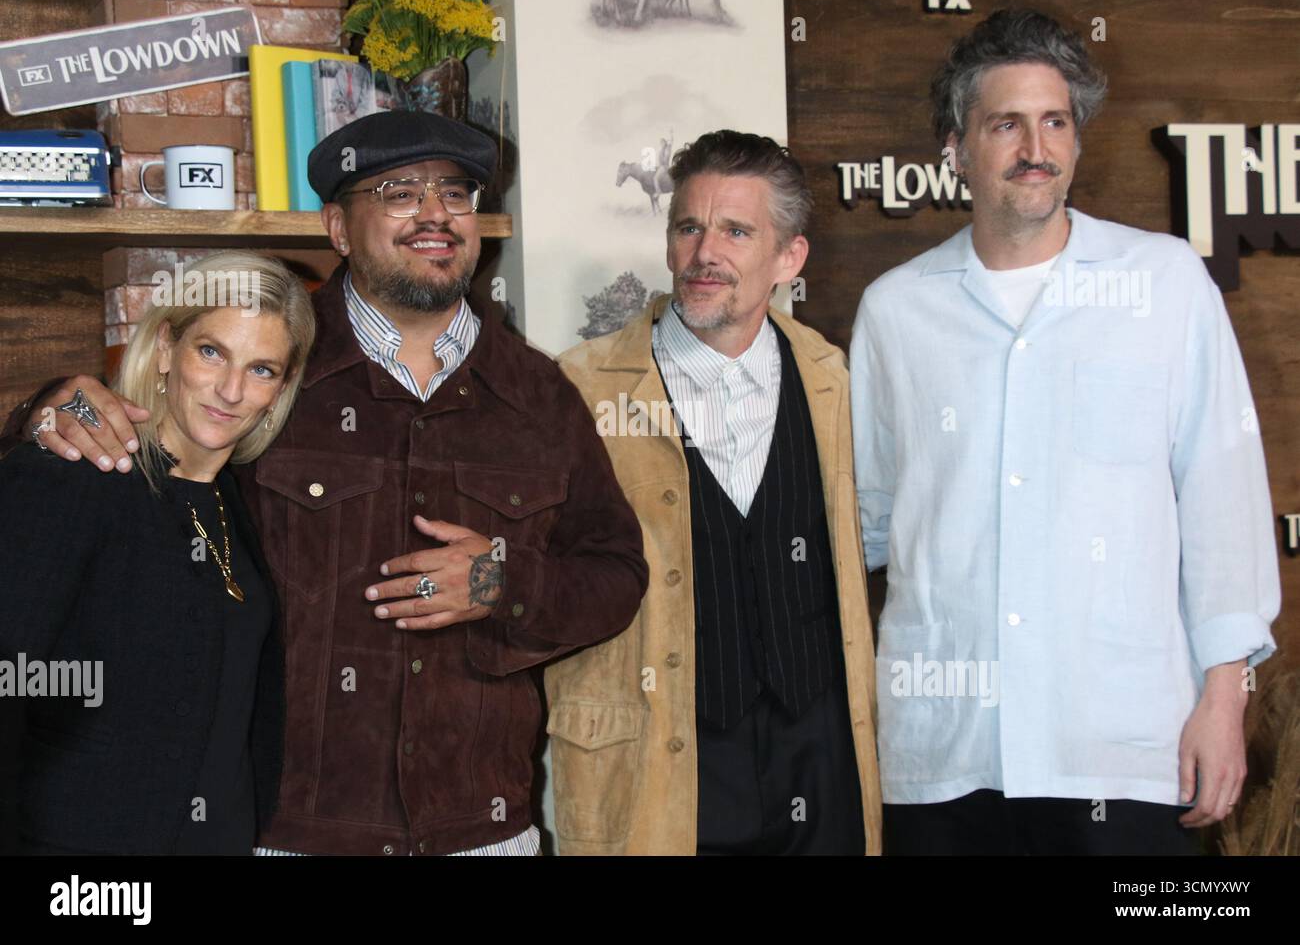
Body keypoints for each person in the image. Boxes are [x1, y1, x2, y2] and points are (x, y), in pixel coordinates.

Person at [2, 111, 649, 856]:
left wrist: (502, 584)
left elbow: (616, 575)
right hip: (285, 835)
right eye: (400, 192)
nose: (435, 213)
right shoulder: (271, 359)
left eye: (456, 192)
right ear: (338, 227)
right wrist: (45, 411)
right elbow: (140, 440)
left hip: (485, 832)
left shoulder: (542, 394)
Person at [849, 9, 1279, 854]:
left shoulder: (1164, 284)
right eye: (1005, 123)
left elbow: (1222, 500)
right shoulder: (896, 310)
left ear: (1078, 140)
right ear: (956, 147)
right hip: (946, 753)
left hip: (1121, 746)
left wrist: (1224, 698)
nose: (1033, 147)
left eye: (1055, 121)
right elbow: (866, 523)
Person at [550, 131, 881, 855]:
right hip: (662, 760)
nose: (706, 254)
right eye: (689, 227)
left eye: (736, 231)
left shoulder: (834, 379)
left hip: (820, 761)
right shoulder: (578, 386)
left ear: (789, 257)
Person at [0, 251, 315, 854]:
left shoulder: (237, 502)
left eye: (262, 369)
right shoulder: (76, 474)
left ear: (280, 390)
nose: (230, 390)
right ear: (167, 347)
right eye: (212, 351)